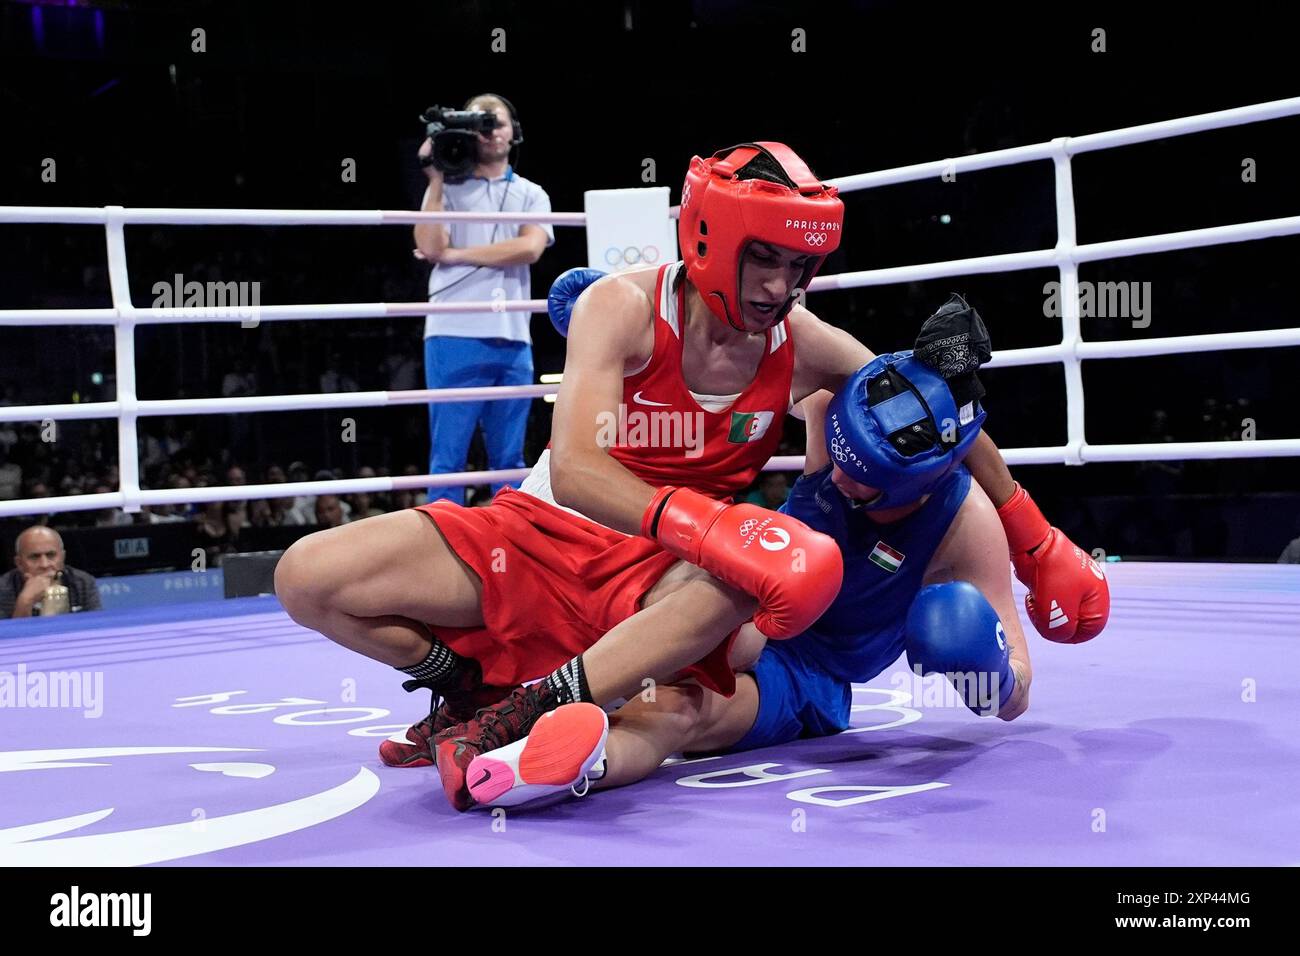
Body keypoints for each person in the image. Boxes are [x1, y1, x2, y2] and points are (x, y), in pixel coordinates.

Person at [277, 143, 1107, 812]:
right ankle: (465, 688)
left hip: (665, 580)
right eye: (765, 262)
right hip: (544, 532)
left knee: (755, 582)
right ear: (709, 237)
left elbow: (937, 408)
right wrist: (710, 523)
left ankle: (517, 717)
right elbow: (575, 468)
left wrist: (1038, 543)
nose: (781, 288)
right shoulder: (625, 308)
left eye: (800, 269)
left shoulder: (800, 343)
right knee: (307, 577)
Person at [466, 339, 1056, 808]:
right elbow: (756, 353)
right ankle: (492, 699)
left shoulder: (966, 525)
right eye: (839, 452)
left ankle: (538, 769)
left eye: (865, 477)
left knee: (679, 711)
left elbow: (1016, 698)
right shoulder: (834, 409)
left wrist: (990, 669)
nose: (841, 478)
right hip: (742, 593)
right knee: (625, 606)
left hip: (812, 677)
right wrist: (632, 345)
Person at [414, 93, 553, 506]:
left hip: (512, 336)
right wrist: (434, 176)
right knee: (448, 457)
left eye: (497, 122)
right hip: (452, 331)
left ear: (514, 133)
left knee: (508, 459)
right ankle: (440, 552)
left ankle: (507, 548)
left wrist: (455, 254)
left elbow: (529, 248)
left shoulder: (531, 193)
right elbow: (427, 242)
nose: (490, 132)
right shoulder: (449, 191)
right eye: (482, 123)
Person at [1, 525, 102, 618]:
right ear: (19, 563)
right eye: (34, 557)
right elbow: (8, 636)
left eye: (51, 555)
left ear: (62, 557)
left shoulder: (83, 582)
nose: (44, 565)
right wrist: (25, 601)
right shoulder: (3, 588)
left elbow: (97, 628)